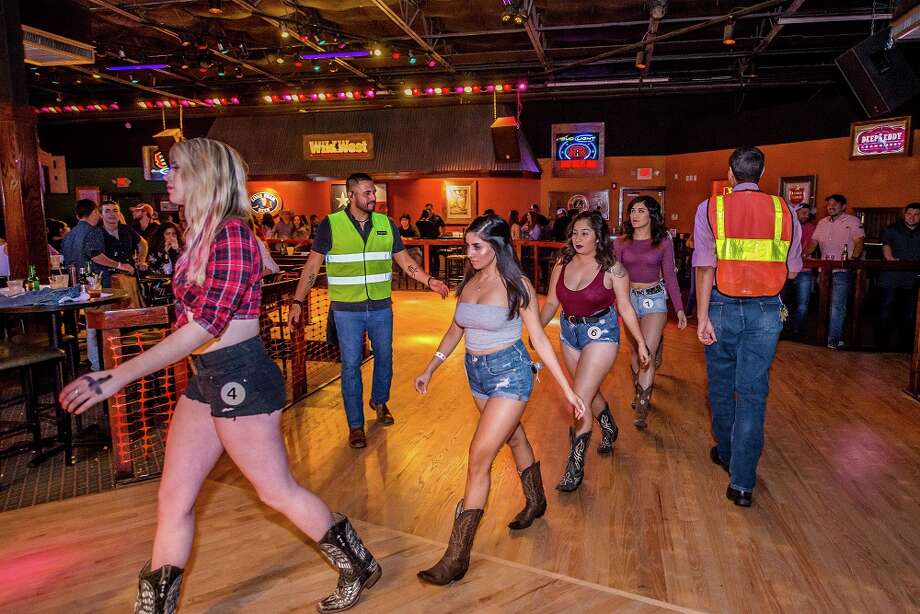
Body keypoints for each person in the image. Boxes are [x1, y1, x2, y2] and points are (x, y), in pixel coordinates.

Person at [59, 138, 382, 614]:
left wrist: (117, 376)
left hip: (241, 377)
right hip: (207, 377)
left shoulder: (231, 235)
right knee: (173, 498)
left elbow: (206, 325)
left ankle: (358, 564)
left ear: (206, 176)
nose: (168, 177)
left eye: (179, 170)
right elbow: (196, 317)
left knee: (276, 491)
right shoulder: (202, 235)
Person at [413, 214, 587, 584]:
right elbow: (455, 329)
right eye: (468, 246)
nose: (470, 253)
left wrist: (568, 389)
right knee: (514, 436)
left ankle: (456, 556)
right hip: (476, 373)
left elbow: (539, 338)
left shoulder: (516, 284)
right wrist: (431, 367)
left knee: (479, 456)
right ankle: (536, 500)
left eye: (477, 246)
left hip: (510, 373)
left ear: (498, 246)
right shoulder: (471, 280)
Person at [288, 173, 449, 448]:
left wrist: (429, 280)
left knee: (385, 357)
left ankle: (380, 401)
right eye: (366, 193)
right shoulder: (331, 224)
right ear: (350, 196)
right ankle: (355, 425)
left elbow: (404, 260)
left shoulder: (385, 224)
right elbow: (312, 267)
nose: (373, 197)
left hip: (380, 307)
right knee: (351, 366)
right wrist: (298, 301)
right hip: (345, 309)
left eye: (373, 192)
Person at [694, 146, 802, 508]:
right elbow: (795, 268)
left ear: (730, 173)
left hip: (722, 306)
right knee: (753, 394)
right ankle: (742, 484)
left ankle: (725, 453)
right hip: (767, 311)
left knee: (721, 389)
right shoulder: (785, 210)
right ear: (762, 172)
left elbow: (705, 267)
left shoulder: (711, 208)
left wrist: (703, 316)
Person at [540, 211, 650, 491]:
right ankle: (609, 425)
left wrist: (640, 342)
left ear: (598, 236)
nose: (578, 238)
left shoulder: (613, 269)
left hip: (600, 334)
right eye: (574, 233)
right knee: (585, 392)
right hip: (569, 333)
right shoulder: (562, 263)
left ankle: (574, 467)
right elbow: (552, 302)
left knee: (577, 400)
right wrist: (538, 328)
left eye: (585, 233)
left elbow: (625, 307)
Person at [614, 197, 687, 429]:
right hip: (629, 302)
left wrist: (680, 308)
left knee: (647, 350)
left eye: (641, 211)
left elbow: (670, 276)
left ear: (651, 215)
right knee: (635, 352)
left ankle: (642, 405)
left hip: (654, 299)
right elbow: (613, 276)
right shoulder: (621, 243)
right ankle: (640, 387)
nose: (635, 215)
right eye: (632, 210)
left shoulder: (663, 242)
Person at [805, 194, 864, 349]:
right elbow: (814, 242)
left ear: (843, 206)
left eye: (834, 204)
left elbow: (859, 242)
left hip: (841, 270)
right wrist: (804, 255)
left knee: (837, 305)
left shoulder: (852, 221)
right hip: (824, 270)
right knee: (824, 303)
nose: (830, 206)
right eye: (828, 204)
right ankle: (822, 337)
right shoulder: (823, 222)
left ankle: (834, 339)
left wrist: (853, 259)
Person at [878, 203, 920, 350]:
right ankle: (881, 346)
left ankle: (905, 348)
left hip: (913, 279)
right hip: (891, 277)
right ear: (904, 214)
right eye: (909, 214)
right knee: (886, 311)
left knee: (910, 314)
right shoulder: (891, 229)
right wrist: (890, 259)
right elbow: (886, 247)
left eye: (916, 214)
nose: (912, 217)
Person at [99, 200, 147, 307]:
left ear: (119, 213)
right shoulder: (98, 233)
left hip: (131, 278)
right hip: (110, 281)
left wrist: (141, 259)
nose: (112, 214)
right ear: (101, 215)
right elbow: (96, 256)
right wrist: (119, 265)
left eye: (115, 210)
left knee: (134, 315)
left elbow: (143, 244)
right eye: (107, 211)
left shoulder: (126, 229)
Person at [788, 205, 818, 336]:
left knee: (802, 303)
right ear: (796, 213)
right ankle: (787, 328)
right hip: (789, 268)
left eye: (808, 213)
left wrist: (803, 255)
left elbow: (810, 245)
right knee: (787, 302)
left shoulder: (811, 228)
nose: (806, 216)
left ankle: (797, 330)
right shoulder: (789, 225)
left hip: (804, 268)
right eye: (803, 213)